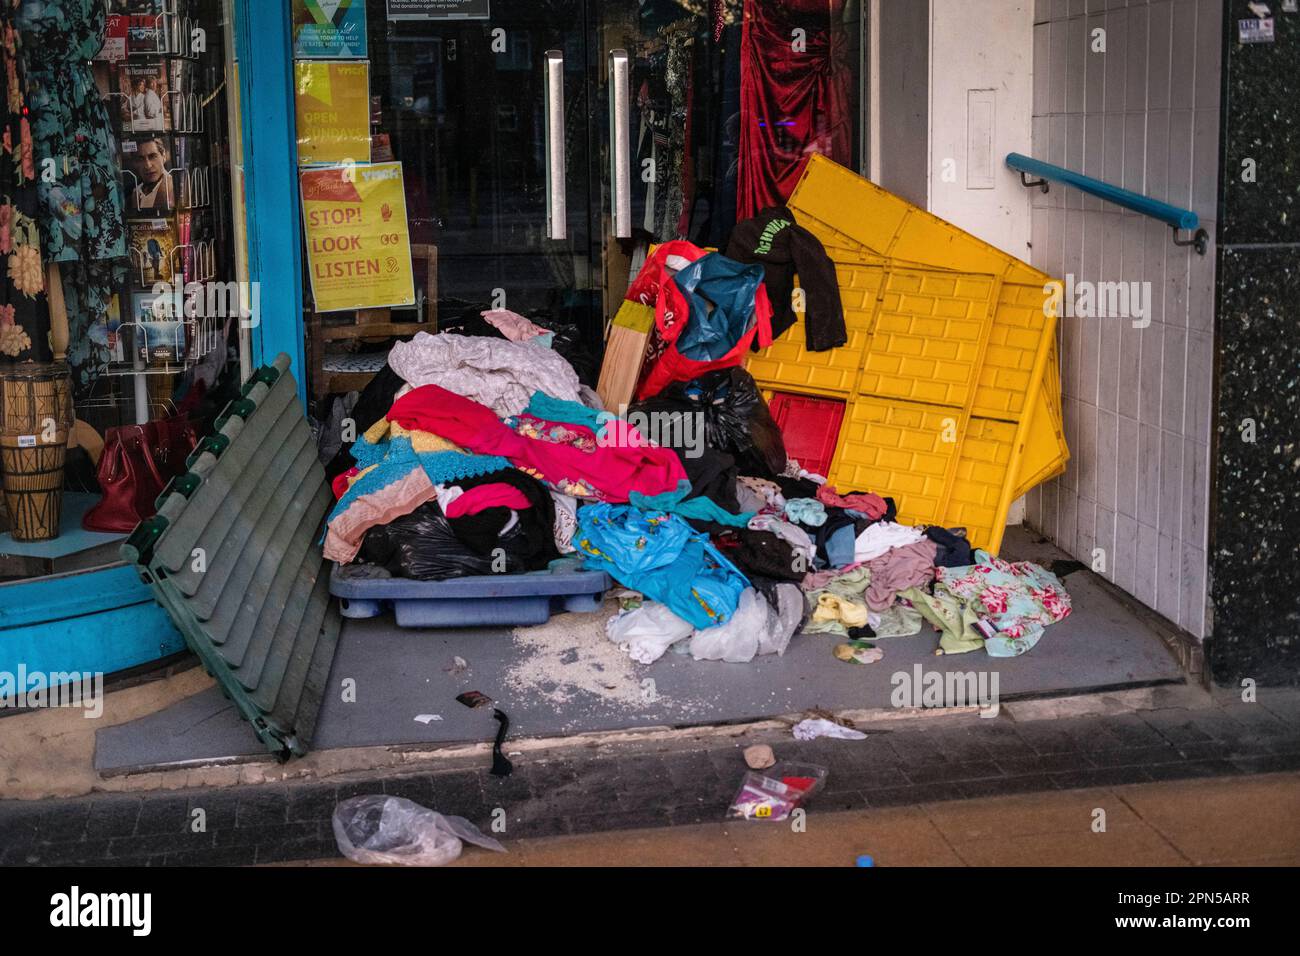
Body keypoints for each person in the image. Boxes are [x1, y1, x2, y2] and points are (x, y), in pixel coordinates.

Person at [131, 136, 174, 213]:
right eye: (141, 159)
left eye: (153, 156)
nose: (148, 165)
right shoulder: (135, 193)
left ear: (163, 156)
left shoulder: (174, 187)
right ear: (135, 163)